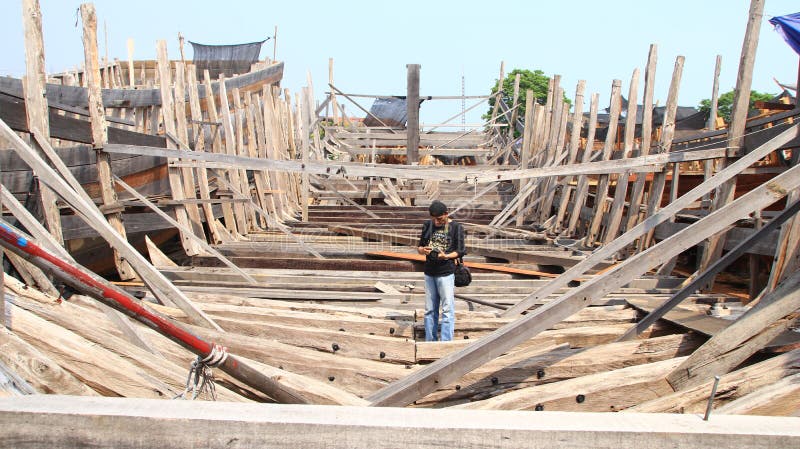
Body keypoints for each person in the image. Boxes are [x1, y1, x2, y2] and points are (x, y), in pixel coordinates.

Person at [417, 200, 466, 341]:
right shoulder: (427, 225)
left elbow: (460, 251)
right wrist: (422, 250)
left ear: (446, 214)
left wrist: (446, 256)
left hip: (446, 273)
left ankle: (445, 342)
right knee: (429, 310)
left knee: (447, 310)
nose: (436, 222)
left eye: (439, 219)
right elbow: (420, 247)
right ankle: (430, 341)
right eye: (433, 219)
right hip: (429, 272)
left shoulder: (456, 227)